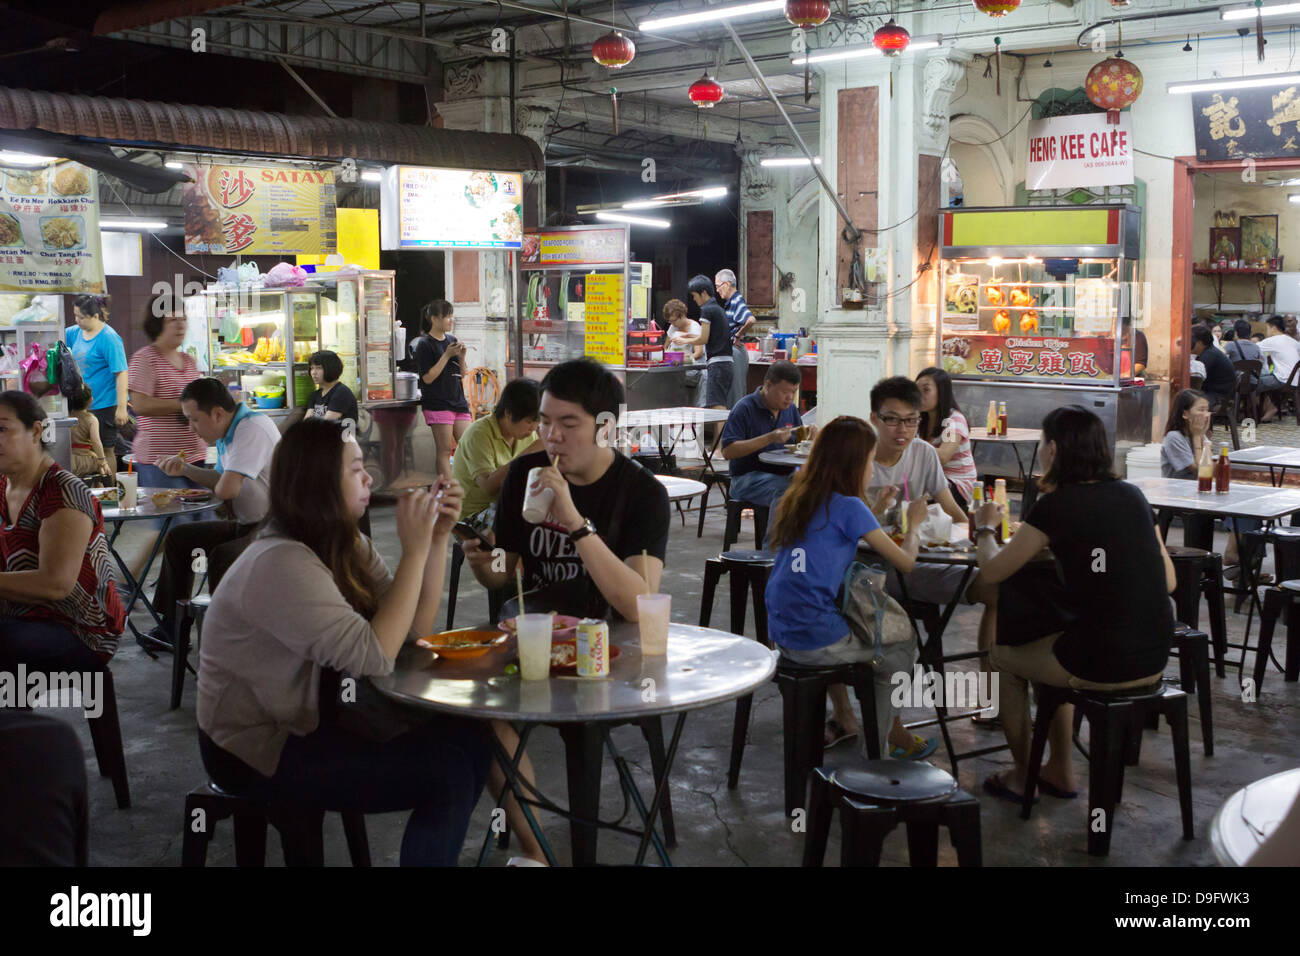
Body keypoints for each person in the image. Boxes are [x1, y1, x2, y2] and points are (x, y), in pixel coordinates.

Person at [197, 419, 491, 866]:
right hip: (255, 746)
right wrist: (412, 552)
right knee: (446, 773)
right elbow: (374, 657)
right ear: (318, 483)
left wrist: (434, 540)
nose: (369, 476)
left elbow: (413, 632)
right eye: (356, 469)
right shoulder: (280, 561)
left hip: (312, 718)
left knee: (472, 734)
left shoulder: (344, 542)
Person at [972, 405, 1175, 803]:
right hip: (1155, 655)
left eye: (1046, 442)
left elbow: (993, 571)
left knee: (1000, 657)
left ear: (1053, 450)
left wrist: (983, 526)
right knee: (1053, 639)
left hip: (1105, 661)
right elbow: (1168, 581)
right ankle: (1059, 769)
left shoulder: (1056, 506)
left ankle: (1021, 774)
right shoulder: (1133, 496)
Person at [766, 415, 933, 755]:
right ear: (856, 464)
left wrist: (878, 507)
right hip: (815, 638)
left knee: (870, 631)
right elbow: (906, 562)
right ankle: (885, 748)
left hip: (782, 629)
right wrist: (914, 524)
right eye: (870, 461)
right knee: (901, 645)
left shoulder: (801, 494)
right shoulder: (850, 507)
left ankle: (869, 725)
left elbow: (835, 534)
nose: (872, 469)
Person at [461, 358, 669, 622]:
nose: (552, 436)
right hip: (541, 633)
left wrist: (574, 522)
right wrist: (484, 564)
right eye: (545, 422)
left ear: (605, 428)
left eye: (568, 424)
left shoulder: (643, 493)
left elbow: (638, 607)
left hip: (611, 644)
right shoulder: (524, 474)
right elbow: (502, 570)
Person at [867, 377, 995, 741]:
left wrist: (979, 527)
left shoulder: (922, 452)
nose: (902, 430)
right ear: (874, 418)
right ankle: (884, 723)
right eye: (891, 419)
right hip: (872, 570)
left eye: (911, 420)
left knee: (997, 589)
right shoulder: (859, 458)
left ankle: (990, 698)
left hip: (920, 564)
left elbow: (953, 511)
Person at [143, 378, 281, 649]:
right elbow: (220, 479)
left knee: (224, 555)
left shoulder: (252, 428)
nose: (192, 429)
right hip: (247, 524)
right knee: (179, 537)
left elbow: (226, 490)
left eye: (194, 420)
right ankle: (173, 628)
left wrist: (210, 481)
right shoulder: (227, 433)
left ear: (217, 414)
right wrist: (184, 470)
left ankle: (226, 640)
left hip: (272, 527)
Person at [0, 391, 125, 673]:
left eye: (2, 428)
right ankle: (15, 714)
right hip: (19, 613)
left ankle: (16, 716)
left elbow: (56, 584)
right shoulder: (4, 486)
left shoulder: (63, 491)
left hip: (80, 628)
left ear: (35, 431)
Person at [1161, 388, 1250, 570]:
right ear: (1185, 414)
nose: (1206, 414)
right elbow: (1202, 472)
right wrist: (1197, 436)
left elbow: (1214, 471)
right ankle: (1224, 563)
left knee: (1248, 510)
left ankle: (1243, 564)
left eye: (1207, 409)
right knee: (1201, 515)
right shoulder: (1174, 438)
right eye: (1200, 410)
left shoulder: (1202, 435)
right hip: (1181, 495)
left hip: (1204, 493)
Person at [127, 298, 207, 496]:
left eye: (183, 318)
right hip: (159, 461)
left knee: (203, 518)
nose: (180, 325)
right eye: (173, 320)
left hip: (194, 456)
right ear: (158, 323)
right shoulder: (145, 359)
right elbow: (140, 404)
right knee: (175, 520)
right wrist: (184, 406)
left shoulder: (189, 361)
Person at [450, 377, 543, 533]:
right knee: (525, 527)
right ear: (508, 413)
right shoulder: (478, 434)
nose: (534, 428)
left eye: (538, 422)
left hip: (505, 504)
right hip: (472, 517)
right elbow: (488, 486)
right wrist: (530, 452)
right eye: (529, 421)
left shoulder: (527, 435)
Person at [720, 361, 807, 515]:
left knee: (815, 487)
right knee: (786, 491)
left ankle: (805, 537)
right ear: (768, 385)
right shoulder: (744, 408)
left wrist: (810, 437)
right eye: (785, 392)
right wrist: (769, 438)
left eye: (794, 392)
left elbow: (799, 445)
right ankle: (773, 540)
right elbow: (728, 451)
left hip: (784, 474)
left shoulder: (791, 410)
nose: (790, 398)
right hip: (746, 478)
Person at [65, 295, 129, 474]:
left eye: (81, 317)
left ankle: (110, 492)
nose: (77, 320)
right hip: (81, 404)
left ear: (95, 316)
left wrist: (122, 408)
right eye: (75, 316)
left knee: (106, 450)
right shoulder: (74, 332)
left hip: (104, 403)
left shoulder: (109, 338)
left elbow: (122, 372)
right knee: (88, 449)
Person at [413, 299, 470, 479]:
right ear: (434, 319)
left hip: (458, 401)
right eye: (447, 317)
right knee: (445, 450)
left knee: (468, 446)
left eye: (452, 316)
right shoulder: (424, 344)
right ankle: (447, 492)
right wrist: (446, 355)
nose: (451, 320)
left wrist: (461, 356)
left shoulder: (452, 340)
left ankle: (467, 487)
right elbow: (428, 378)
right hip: (438, 403)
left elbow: (463, 373)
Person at [916, 366, 977, 510]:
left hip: (959, 484)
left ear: (941, 393)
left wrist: (910, 444)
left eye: (926, 390)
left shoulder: (952, 420)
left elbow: (943, 456)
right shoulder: (919, 420)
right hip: (935, 481)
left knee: (920, 502)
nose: (919, 395)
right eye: (916, 390)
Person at [679, 275, 734, 423]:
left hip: (718, 364)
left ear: (703, 293)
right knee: (719, 405)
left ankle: (721, 445)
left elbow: (703, 339)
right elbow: (709, 336)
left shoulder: (707, 310)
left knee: (718, 408)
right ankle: (719, 445)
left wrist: (685, 339)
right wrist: (687, 337)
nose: (694, 300)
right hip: (727, 363)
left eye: (694, 296)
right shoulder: (717, 308)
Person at [715, 268, 755, 408]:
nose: (717, 290)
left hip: (736, 352)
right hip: (732, 352)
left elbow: (750, 320)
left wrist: (738, 335)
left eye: (718, 286)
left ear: (726, 284)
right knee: (733, 394)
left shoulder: (737, 300)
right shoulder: (731, 303)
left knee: (736, 395)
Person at [1257, 315, 1300, 422]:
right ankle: (1268, 408)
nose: (1266, 331)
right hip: (1294, 380)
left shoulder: (1273, 340)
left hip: (1281, 379)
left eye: (1267, 328)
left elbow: (1252, 348)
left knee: (1250, 382)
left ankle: (1262, 410)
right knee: (1262, 378)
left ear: (1273, 328)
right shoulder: (1292, 341)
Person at [67, 385, 111, 481]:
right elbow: (96, 441)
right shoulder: (91, 419)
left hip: (68, 460)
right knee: (97, 481)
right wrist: (103, 461)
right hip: (87, 461)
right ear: (91, 400)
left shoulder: (66, 418)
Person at [305, 350, 359, 424]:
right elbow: (306, 423)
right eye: (312, 368)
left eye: (319, 368)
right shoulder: (315, 395)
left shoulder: (341, 392)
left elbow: (326, 424)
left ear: (331, 368)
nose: (314, 372)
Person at [1189, 324, 1234, 410]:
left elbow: (1196, 378)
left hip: (1217, 396)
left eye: (1191, 341)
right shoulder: (1209, 351)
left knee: (1185, 401)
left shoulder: (1209, 355)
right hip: (1216, 392)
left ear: (1199, 343)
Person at [1222, 318, 1262, 388]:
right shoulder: (1257, 347)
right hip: (1253, 384)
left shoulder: (1231, 345)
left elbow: (1220, 357)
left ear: (1236, 333)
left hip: (1235, 384)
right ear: (1250, 333)